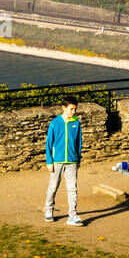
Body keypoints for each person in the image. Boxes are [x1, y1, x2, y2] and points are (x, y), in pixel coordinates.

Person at [44, 96, 84, 226]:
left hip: (72, 161)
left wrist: (78, 160)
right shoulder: (55, 124)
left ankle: (72, 215)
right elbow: (49, 144)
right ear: (64, 108)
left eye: (75, 109)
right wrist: (49, 162)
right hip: (57, 161)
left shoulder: (76, 123)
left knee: (73, 189)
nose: (73, 112)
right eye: (71, 109)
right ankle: (49, 211)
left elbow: (79, 143)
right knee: (53, 187)